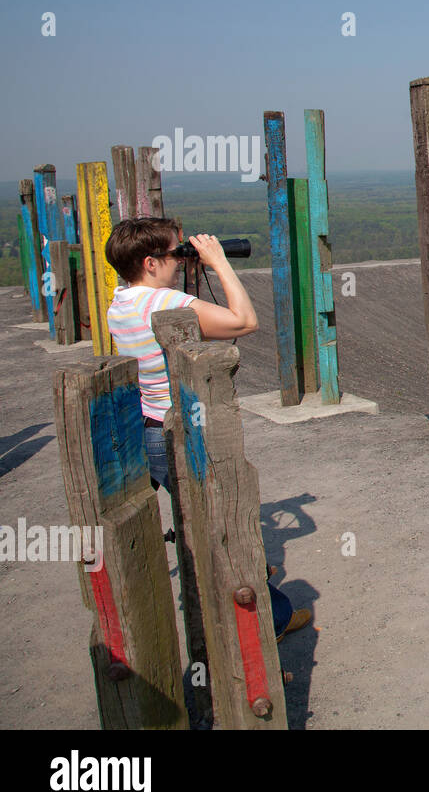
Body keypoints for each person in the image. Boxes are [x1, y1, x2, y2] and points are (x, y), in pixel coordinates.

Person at [104, 217, 310, 643]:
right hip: (181, 433)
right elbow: (244, 321)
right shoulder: (162, 305)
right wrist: (218, 263)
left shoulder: (120, 302)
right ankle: (270, 621)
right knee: (225, 527)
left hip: (148, 432)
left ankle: (252, 592)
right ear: (150, 262)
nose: (180, 263)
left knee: (203, 521)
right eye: (173, 255)